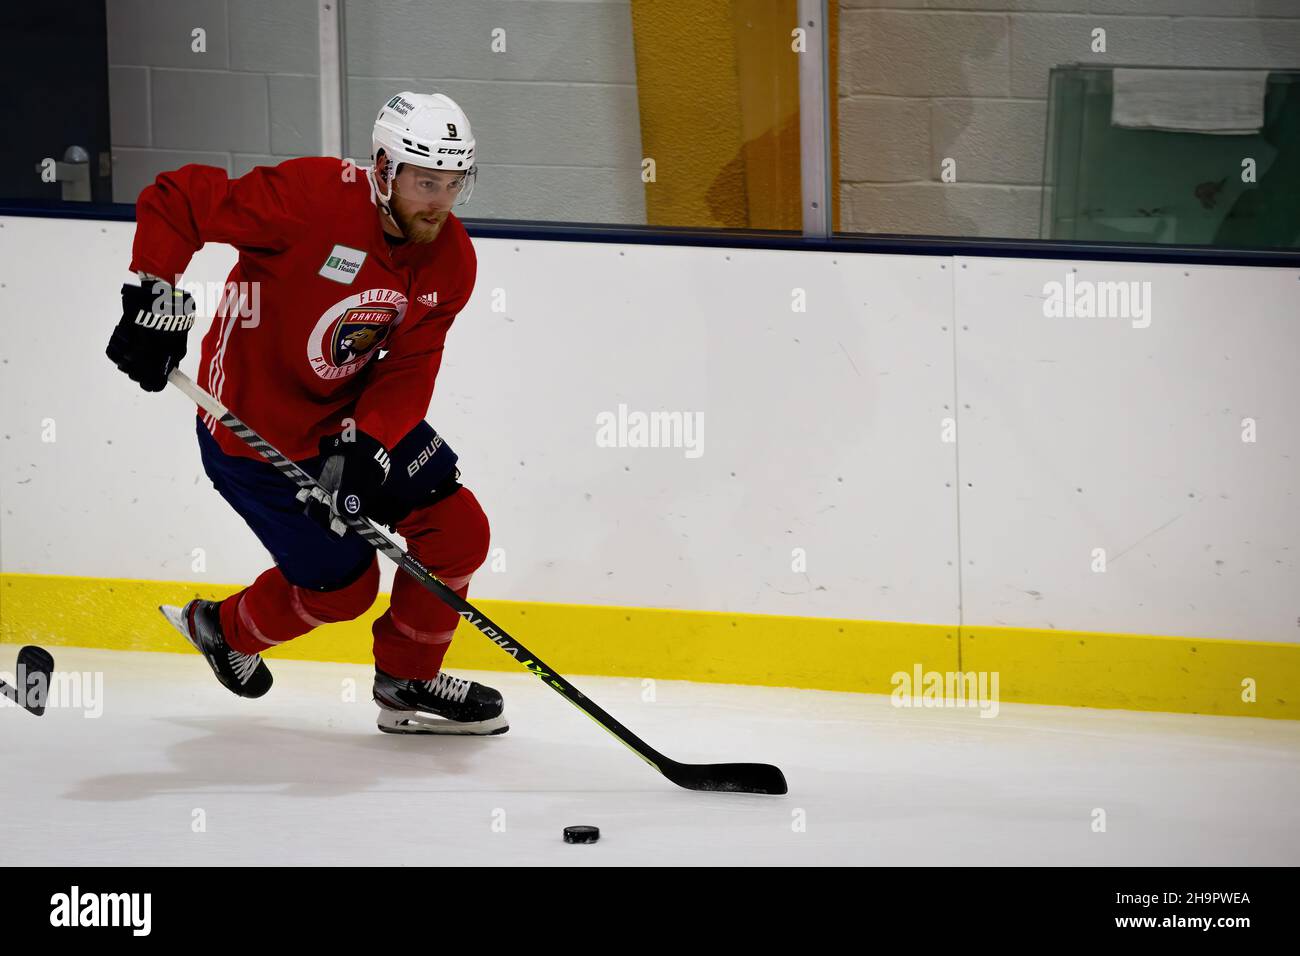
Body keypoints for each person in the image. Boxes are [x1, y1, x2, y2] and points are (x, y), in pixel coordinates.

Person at [105, 92, 505, 735]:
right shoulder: (310, 198)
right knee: (344, 591)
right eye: (427, 182)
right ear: (384, 168)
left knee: (459, 532)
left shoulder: (450, 257)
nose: (440, 201)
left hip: (348, 418)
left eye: (454, 184)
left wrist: (369, 443)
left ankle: (408, 680)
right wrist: (154, 294)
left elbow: (410, 366)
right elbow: (178, 199)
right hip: (254, 432)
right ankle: (222, 628)